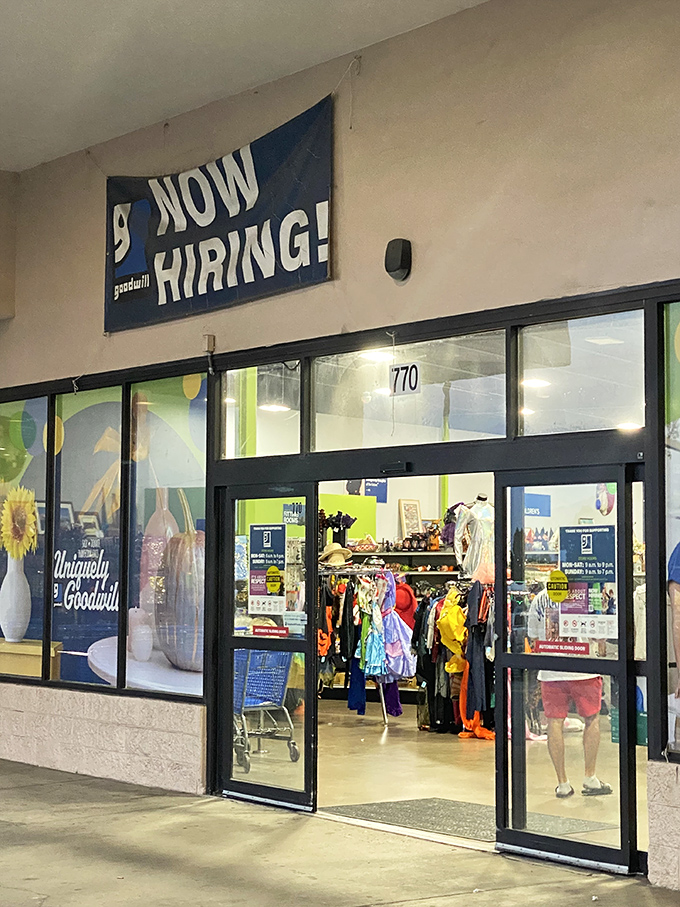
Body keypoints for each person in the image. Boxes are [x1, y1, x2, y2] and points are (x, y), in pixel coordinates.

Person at [539, 669, 613, 799]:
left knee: (554, 721)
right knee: (591, 719)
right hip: (585, 671)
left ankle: (562, 784)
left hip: (551, 670)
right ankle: (590, 777)